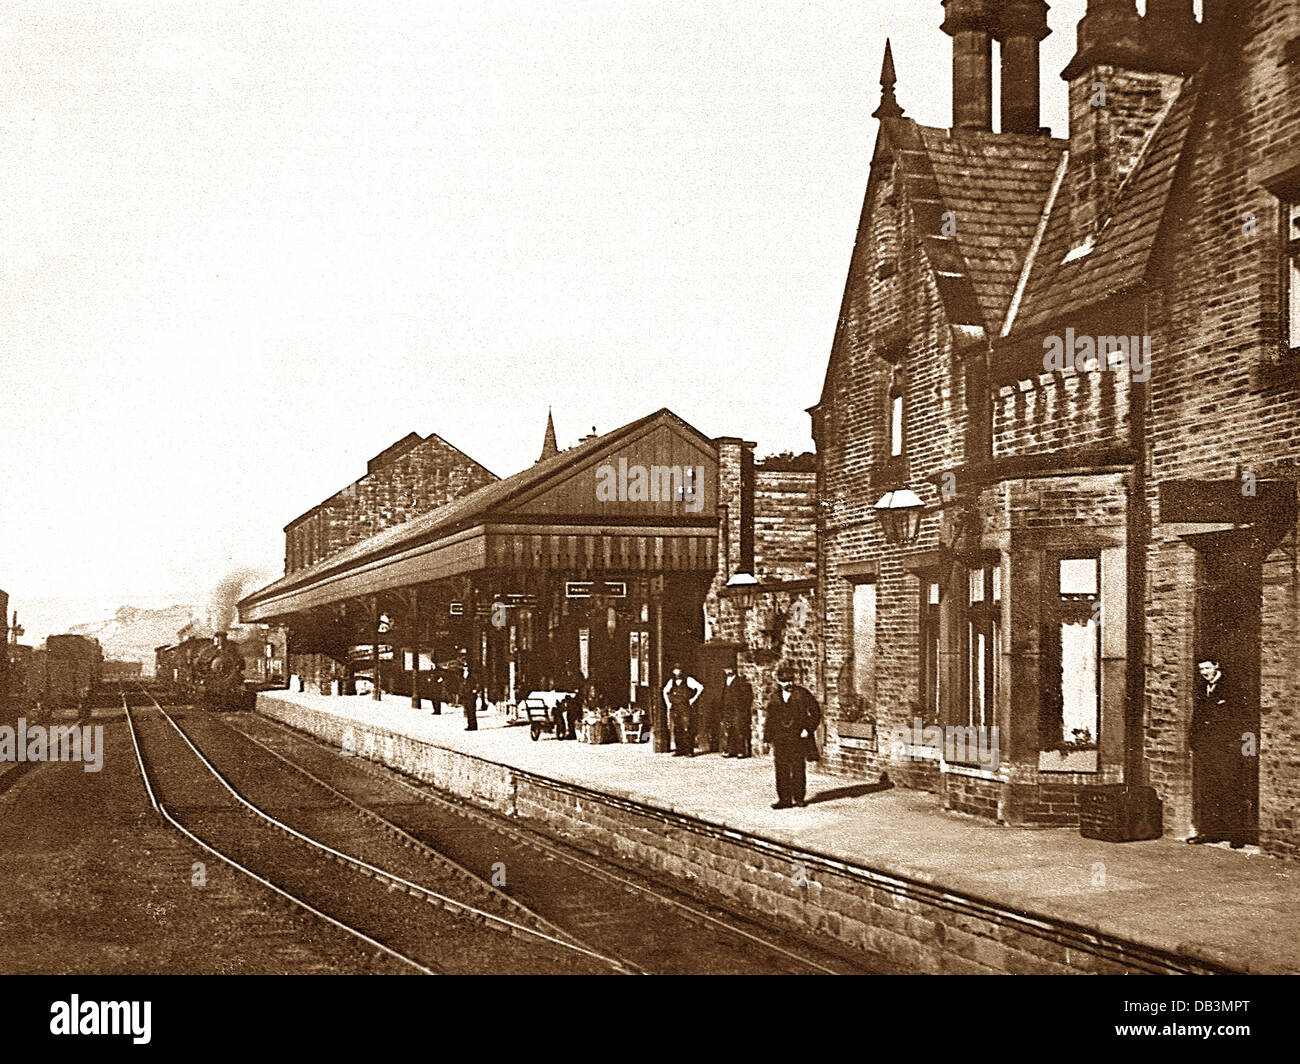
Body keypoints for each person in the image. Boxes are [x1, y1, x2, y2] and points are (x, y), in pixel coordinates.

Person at [1189, 659, 1250, 847]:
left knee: (1231, 790)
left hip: (1227, 750)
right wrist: (1194, 741)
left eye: (1207, 668)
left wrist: (1235, 745)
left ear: (1216, 666)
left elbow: (1241, 718)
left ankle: (1237, 835)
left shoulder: (1232, 687)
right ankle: (1211, 832)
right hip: (1207, 749)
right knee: (1209, 791)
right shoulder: (1202, 688)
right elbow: (1198, 716)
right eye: (1201, 669)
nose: (1204, 672)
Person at [762, 664, 821, 808]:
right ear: (778, 682)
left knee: (798, 767)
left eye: (790, 680)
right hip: (780, 737)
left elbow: (816, 712)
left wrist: (808, 729)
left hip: (797, 736)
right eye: (784, 681)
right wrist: (767, 739)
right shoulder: (775, 697)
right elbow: (770, 718)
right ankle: (784, 799)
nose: (788, 684)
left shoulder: (802, 694)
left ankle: (799, 798)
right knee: (781, 768)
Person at [662, 664, 703, 756]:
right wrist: (668, 703)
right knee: (677, 729)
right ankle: (679, 750)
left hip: (685, 707)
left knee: (687, 728)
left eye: (679, 670)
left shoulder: (688, 680)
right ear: (673, 671)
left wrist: (693, 699)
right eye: (676, 670)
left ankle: (689, 750)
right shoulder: (671, 681)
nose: (677, 672)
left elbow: (700, 687)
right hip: (675, 707)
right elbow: (664, 691)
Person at [719, 665, 754, 758]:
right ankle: (729, 750)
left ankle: (741, 751)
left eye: (729, 669)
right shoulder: (725, 681)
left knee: (739, 730)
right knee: (728, 730)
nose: (727, 671)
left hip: (737, 710)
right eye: (726, 670)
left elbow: (747, 697)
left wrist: (742, 708)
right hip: (727, 710)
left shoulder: (741, 682)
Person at [459, 652, 478, 731]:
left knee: (471, 710)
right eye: (464, 666)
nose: (465, 668)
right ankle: (470, 724)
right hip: (465, 694)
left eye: (466, 666)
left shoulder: (472, 674)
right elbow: (461, 683)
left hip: (471, 694)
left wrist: (475, 690)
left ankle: (473, 726)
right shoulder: (462, 674)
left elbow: (477, 683)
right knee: (467, 710)